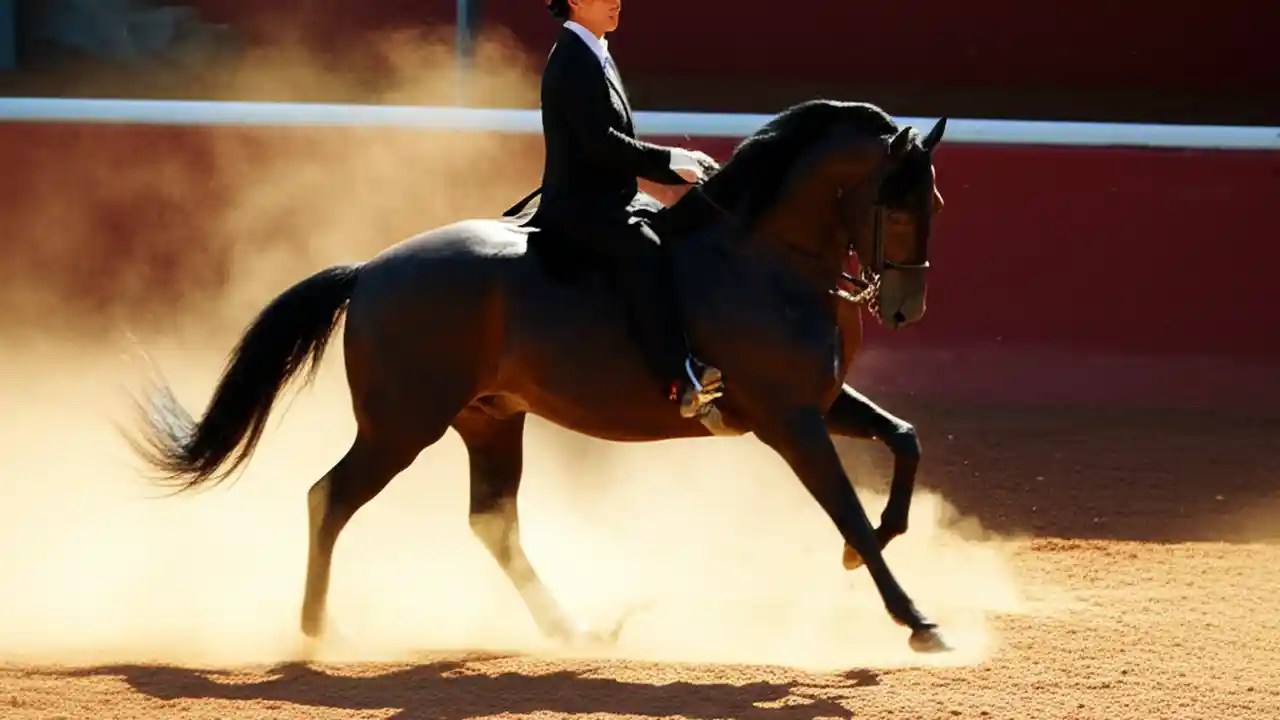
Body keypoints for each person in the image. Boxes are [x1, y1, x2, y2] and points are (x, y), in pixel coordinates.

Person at [521, 0, 724, 419]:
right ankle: (677, 377)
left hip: (612, 199)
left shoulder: (596, 50)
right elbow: (602, 144)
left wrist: (670, 162)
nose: (616, 0)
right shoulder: (573, 59)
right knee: (645, 250)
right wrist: (669, 162)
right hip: (580, 208)